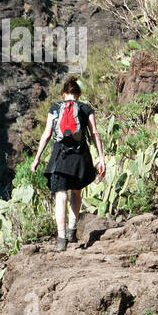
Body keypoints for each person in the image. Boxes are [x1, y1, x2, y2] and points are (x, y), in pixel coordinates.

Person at [31, 76, 105, 251]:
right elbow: (94, 133)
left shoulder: (55, 108)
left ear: (64, 94)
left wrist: (37, 158)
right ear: (78, 95)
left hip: (59, 156)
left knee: (61, 195)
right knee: (76, 192)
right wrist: (101, 157)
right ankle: (72, 229)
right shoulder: (86, 108)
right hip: (80, 156)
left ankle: (61, 238)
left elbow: (47, 133)